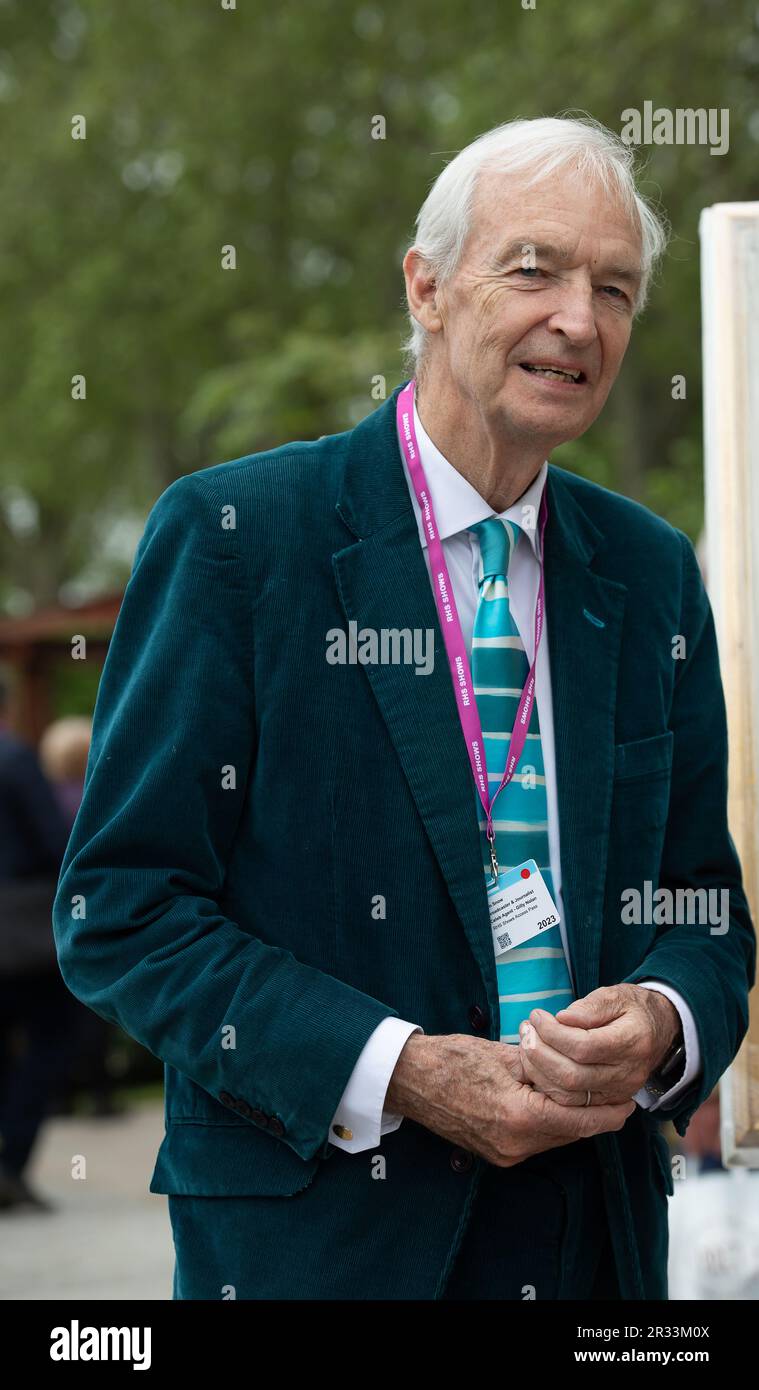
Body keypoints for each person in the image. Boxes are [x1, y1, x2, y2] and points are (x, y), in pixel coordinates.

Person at [52, 115, 755, 1300]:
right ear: (426, 287)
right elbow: (120, 909)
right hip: (324, 1251)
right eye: (534, 268)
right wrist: (402, 1068)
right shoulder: (240, 540)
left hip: (597, 1253)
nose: (579, 319)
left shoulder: (647, 572)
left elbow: (703, 907)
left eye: (615, 288)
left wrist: (663, 1016)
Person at [0, 671, 73, 1210]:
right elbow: (56, 843)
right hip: (21, 931)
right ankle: (12, 1162)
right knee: (50, 1041)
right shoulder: (17, 759)